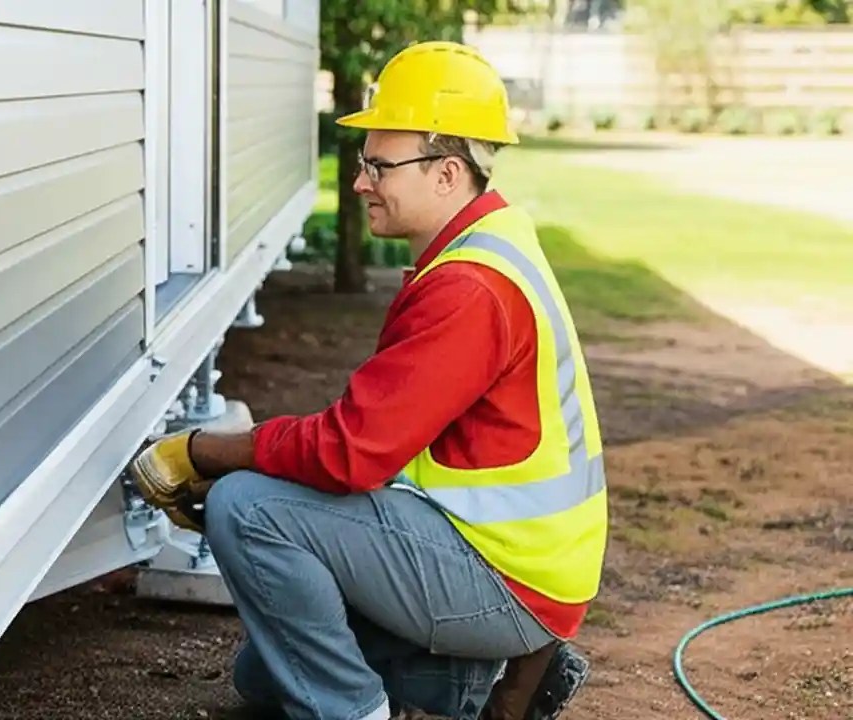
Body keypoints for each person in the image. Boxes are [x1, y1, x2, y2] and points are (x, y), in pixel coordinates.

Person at [129, 40, 607, 720]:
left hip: (507, 578)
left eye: (379, 166)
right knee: (264, 675)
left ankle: (356, 710)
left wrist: (206, 452)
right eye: (363, 164)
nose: (359, 183)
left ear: (447, 173)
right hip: (511, 562)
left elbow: (350, 451)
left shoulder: (469, 291)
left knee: (247, 509)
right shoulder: (490, 243)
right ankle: (477, 686)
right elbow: (375, 439)